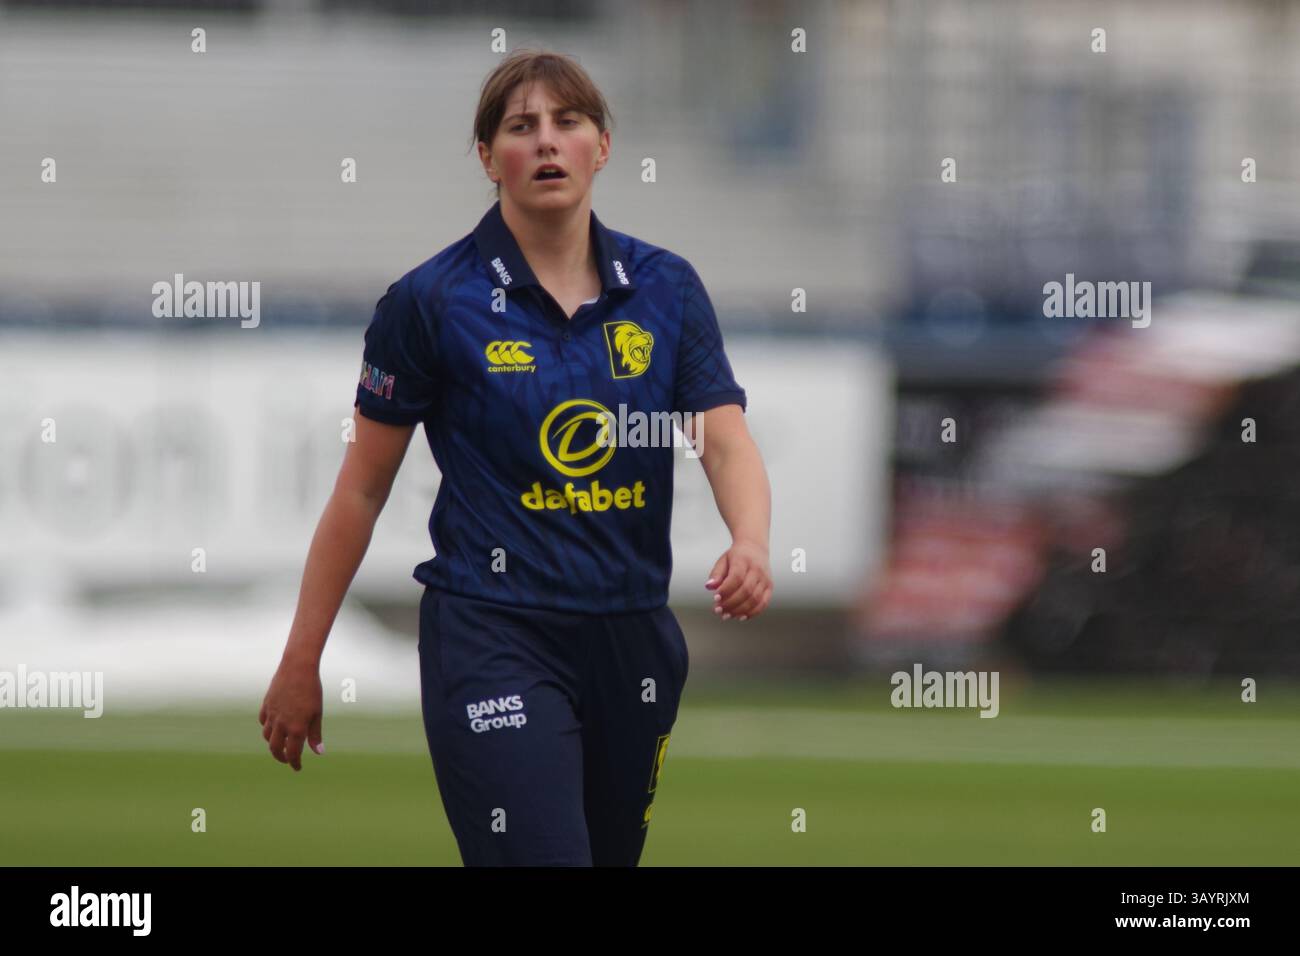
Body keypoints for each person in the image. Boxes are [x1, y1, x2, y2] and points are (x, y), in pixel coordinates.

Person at [259, 49, 772, 866]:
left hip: (633, 640)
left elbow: (725, 437)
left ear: (602, 146)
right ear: (487, 156)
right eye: (520, 127)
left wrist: (749, 540)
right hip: (491, 632)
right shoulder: (431, 302)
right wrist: (301, 658)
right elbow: (359, 491)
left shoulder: (667, 288)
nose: (546, 143)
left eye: (567, 123)